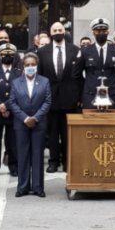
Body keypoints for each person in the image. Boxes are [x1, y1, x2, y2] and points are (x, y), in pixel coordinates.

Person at [37, 21, 79, 173]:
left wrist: (79, 96)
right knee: (52, 132)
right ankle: (53, 161)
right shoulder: (42, 52)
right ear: (50, 33)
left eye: (60, 29)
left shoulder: (75, 50)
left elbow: (80, 76)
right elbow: (39, 76)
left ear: (65, 31)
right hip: (50, 98)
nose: (57, 32)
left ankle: (67, 161)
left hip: (70, 97)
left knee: (68, 132)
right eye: (54, 30)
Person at [9, 52, 52, 197]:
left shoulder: (44, 81)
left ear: (37, 66)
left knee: (37, 155)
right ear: (23, 67)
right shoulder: (16, 82)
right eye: (27, 65)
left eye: (33, 64)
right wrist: (26, 118)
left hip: (39, 124)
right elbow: (12, 102)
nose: (30, 67)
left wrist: (36, 118)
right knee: (23, 155)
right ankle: (22, 187)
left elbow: (47, 102)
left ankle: (38, 187)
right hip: (21, 124)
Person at [73, 18, 115, 110]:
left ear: (108, 32)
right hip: (91, 96)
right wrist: (87, 85)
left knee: (113, 123)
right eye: (98, 31)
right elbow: (76, 74)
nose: (101, 33)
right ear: (94, 33)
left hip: (112, 95)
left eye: (103, 31)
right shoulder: (85, 51)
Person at [0, 43, 20, 178]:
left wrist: (6, 105)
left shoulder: (18, 72)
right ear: (0, 56)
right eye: (5, 55)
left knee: (12, 142)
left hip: (12, 112)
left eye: (10, 55)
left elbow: (19, 91)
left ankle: (14, 166)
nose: (7, 57)